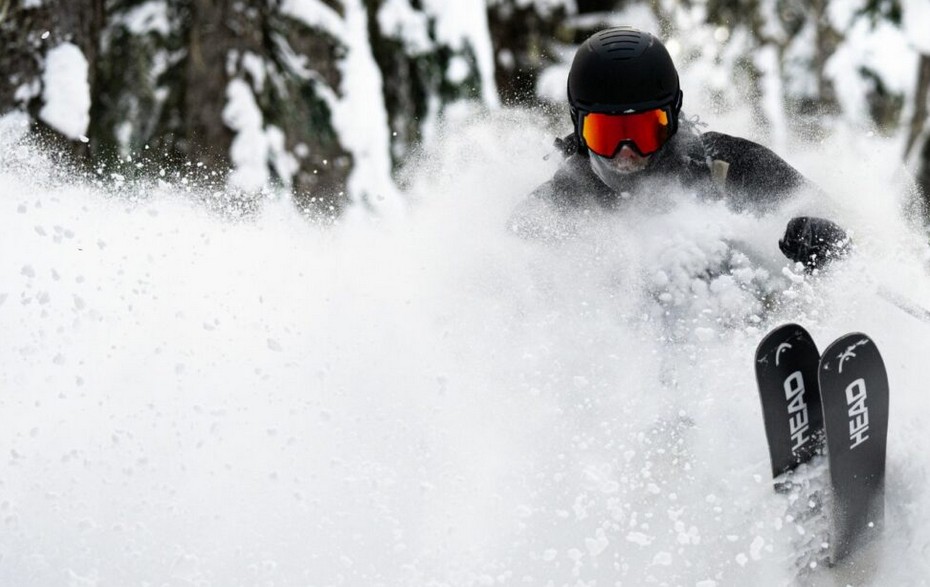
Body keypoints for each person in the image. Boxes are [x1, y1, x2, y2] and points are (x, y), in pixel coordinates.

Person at [510, 26, 849, 271]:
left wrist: (830, 242)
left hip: (748, 341)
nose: (625, 152)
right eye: (606, 133)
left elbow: (859, 241)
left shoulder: (726, 167)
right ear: (578, 126)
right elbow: (496, 285)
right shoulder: (559, 205)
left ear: (672, 117)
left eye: (644, 130)